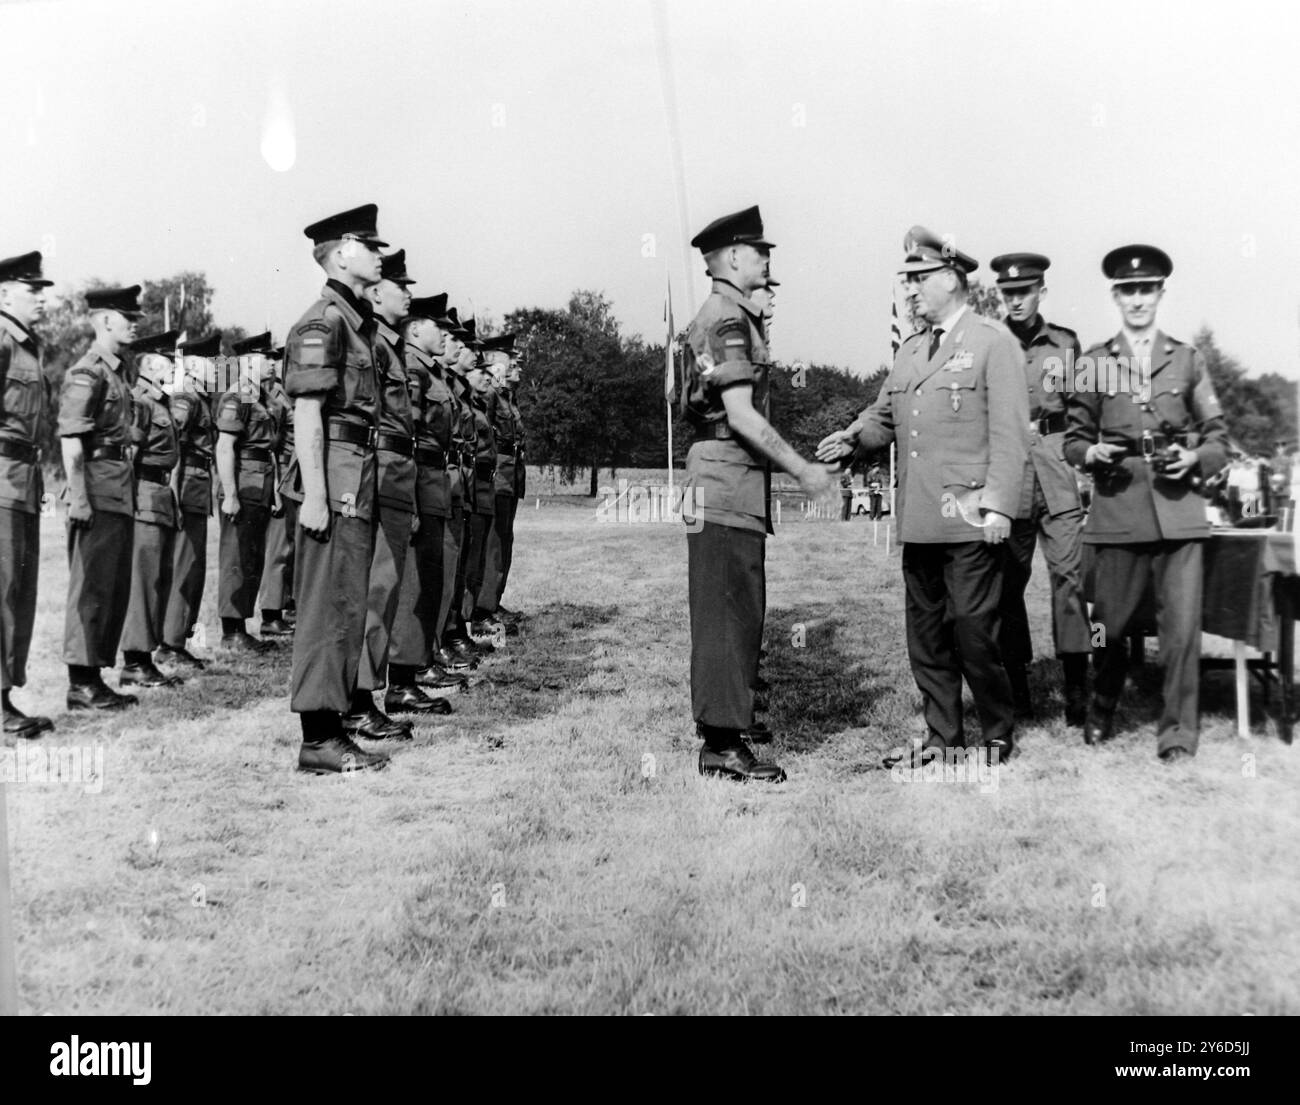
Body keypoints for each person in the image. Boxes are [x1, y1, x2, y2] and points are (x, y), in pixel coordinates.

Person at [817, 226, 1029, 764]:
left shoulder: (992, 341)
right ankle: (943, 738)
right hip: (919, 521)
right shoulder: (911, 350)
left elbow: (1009, 432)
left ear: (954, 279)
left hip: (970, 517)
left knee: (974, 632)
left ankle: (998, 728)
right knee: (928, 638)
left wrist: (1001, 504)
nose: (909, 291)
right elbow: (883, 416)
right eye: (906, 280)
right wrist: (851, 438)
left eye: (920, 279)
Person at [682, 205, 834, 784]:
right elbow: (741, 416)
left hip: (729, 481)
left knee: (739, 610)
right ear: (734, 258)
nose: (767, 261)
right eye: (760, 252)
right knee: (726, 612)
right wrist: (803, 469)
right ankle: (720, 744)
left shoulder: (732, 316)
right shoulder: (726, 319)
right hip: (725, 477)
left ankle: (728, 729)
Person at [1063, 244, 1228, 761]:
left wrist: (1195, 459)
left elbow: (1220, 439)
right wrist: (1090, 451)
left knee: (1180, 633)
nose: (1138, 299)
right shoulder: (1094, 361)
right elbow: (1072, 438)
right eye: (1128, 290)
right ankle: (1103, 702)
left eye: (1147, 289)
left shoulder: (1187, 358)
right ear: (1116, 296)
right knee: (1107, 626)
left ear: (1160, 293)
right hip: (1118, 508)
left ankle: (1177, 733)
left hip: (1179, 512)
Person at [281, 203, 390, 774]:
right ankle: (318, 737)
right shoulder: (324, 321)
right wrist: (318, 496)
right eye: (370, 247)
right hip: (337, 477)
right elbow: (307, 413)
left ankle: (333, 725)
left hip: (356, 471)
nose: (379, 255)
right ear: (343, 252)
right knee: (326, 607)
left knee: (346, 602)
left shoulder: (354, 321)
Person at [989, 252, 1092, 726]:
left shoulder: (1066, 343)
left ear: (1040, 293)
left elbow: (1085, 411)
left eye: (1023, 292)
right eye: (1007, 293)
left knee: (1069, 581)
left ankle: (1077, 691)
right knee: (1006, 585)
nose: (1015, 300)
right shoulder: (989, 342)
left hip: (1056, 466)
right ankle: (1017, 690)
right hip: (1008, 468)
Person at [354, 249, 440, 726]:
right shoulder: (375, 345)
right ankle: (359, 700)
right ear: (376, 292)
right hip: (382, 471)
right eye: (400, 287)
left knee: (390, 588)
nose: (408, 294)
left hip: (396, 473)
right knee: (378, 587)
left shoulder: (390, 348)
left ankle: (379, 691)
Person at [59, 285, 142, 711]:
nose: (134, 324)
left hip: (117, 487)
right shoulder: (87, 371)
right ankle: (81, 682)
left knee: (110, 587)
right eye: (127, 317)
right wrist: (78, 499)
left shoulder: (117, 372)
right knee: (90, 585)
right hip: (95, 487)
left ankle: (94, 677)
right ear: (106, 320)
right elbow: (71, 440)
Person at [391, 292, 465, 697]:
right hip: (419, 477)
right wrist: (414, 500)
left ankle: (420, 662)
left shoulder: (430, 372)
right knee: (415, 582)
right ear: (417, 329)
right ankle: (403, 676)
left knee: (431, 577)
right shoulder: (412, 370)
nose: (445, 336)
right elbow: (411, 436)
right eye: (440, 327)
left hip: (435, 479)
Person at [0, 251, 55, 736]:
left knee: (18, 590)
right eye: (31, 289)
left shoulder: (26, 346)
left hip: (22, 477)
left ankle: (5, 698)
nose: (41, 298)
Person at [118, 330, 183, 689]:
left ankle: (148, 654)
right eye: (167, 362)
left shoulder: (161, 402)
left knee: (157, 579)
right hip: (143, 496)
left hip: (160, 496)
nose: (172, 368)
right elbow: (129, 454)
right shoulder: (141, 401)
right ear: (149, 365)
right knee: (142, 581)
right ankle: (135, 661)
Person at [157, 333, 218, 670]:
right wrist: (176, 499)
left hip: (196, 491)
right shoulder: (187, 398)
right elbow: (173, 448)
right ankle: (170, 643)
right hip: (186, 491)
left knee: (193, 570)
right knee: (184, 568)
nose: (217, 367)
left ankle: (177, 639)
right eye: (212, 361)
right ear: (194, 365)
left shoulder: (199, 397)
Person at [214, 332, 277, 653]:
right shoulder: (237, 396)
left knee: (252, 557)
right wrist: (230, 494)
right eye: (266, 358)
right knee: (236, 556)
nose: (272, 363)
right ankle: (231, 630)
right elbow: (225, 448)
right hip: (243, 481)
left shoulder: (259, 397)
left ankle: (241, 626)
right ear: (249, 361)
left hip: (260, 483)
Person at [256, 342, 296, 637]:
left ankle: (287, 605)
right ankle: (271, 612)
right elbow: (274, 443)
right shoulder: (271, 395)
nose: (275, 363)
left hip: (298, 474)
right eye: (271, 358)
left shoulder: (290, 391)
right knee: (278, 547)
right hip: (284, 473)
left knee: (292, 546)